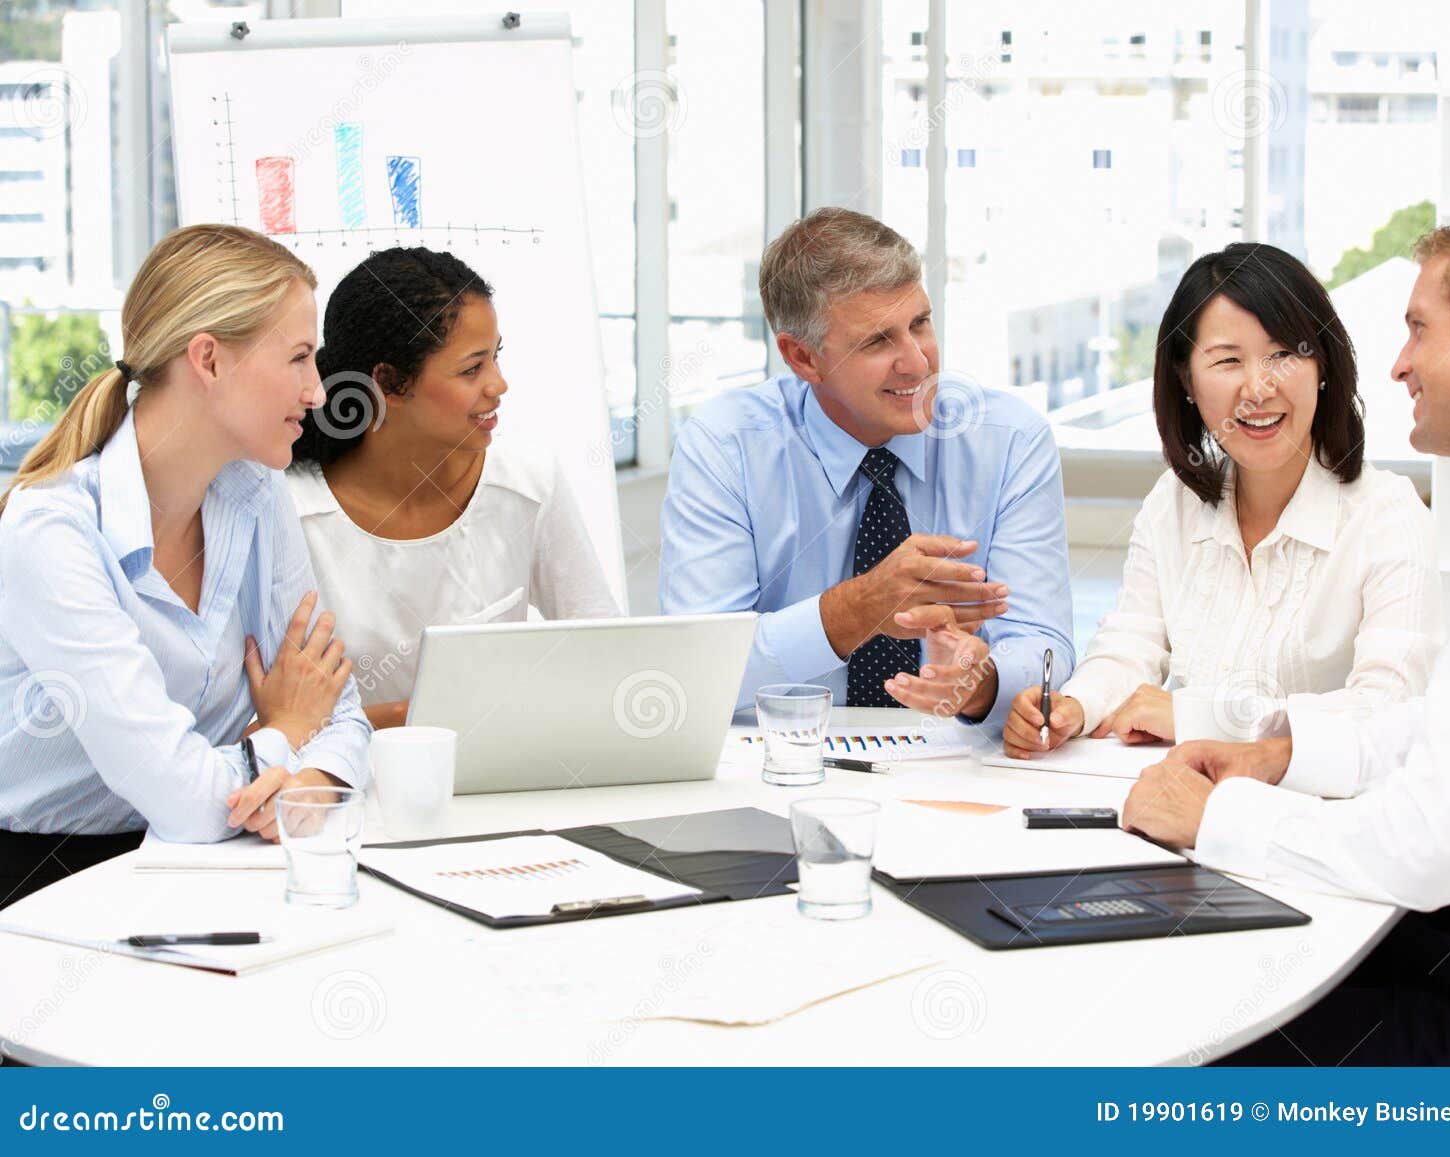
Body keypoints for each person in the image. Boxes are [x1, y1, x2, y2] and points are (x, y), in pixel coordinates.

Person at [1124, 207, 1450, 1064]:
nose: (1400, 362)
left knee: (1183, 1058)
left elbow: (1436, 844)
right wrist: (1283, 752)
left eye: (1420, 329)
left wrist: (1220, 815)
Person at [0, 224, 372, 908]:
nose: (318, 392)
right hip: (42, 882)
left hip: (220, 859)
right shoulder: (50, 531)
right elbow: (181, 796)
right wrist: (284, 733)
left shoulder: (259, 496)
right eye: (297, 358)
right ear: (208, 359)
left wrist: (303, 780)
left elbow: (343, 717)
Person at [1002, 244, 1441, 758]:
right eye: (1228, 360)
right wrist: (1073, 706)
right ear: (1187, 380)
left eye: (1283, 354)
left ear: (1322, 362)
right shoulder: (1175, 502)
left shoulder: (1388, 515)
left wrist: (1200, 718)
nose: (1258, 388)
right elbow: (1132, 644)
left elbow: (1388, 706)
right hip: (1175, 801)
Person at [659, 207, 1074, 724]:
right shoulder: (727, 445)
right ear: (803, 358)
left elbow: (1045, 646)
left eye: (919, 324)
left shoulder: (1009, 439)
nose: (919, 363)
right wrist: (857, 609)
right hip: (780, 760)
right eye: (878, 341)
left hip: (953, 766)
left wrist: (982, 685)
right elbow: (698, 669)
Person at [289, 247, 618, 728]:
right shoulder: (292, 511)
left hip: (500, 782)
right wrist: (415, 720)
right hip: (344, 791)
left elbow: (603, 653)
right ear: (390, 382)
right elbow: (271, 723)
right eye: (472, 368)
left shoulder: (528, 483)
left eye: (496, 357)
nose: (498, 384)